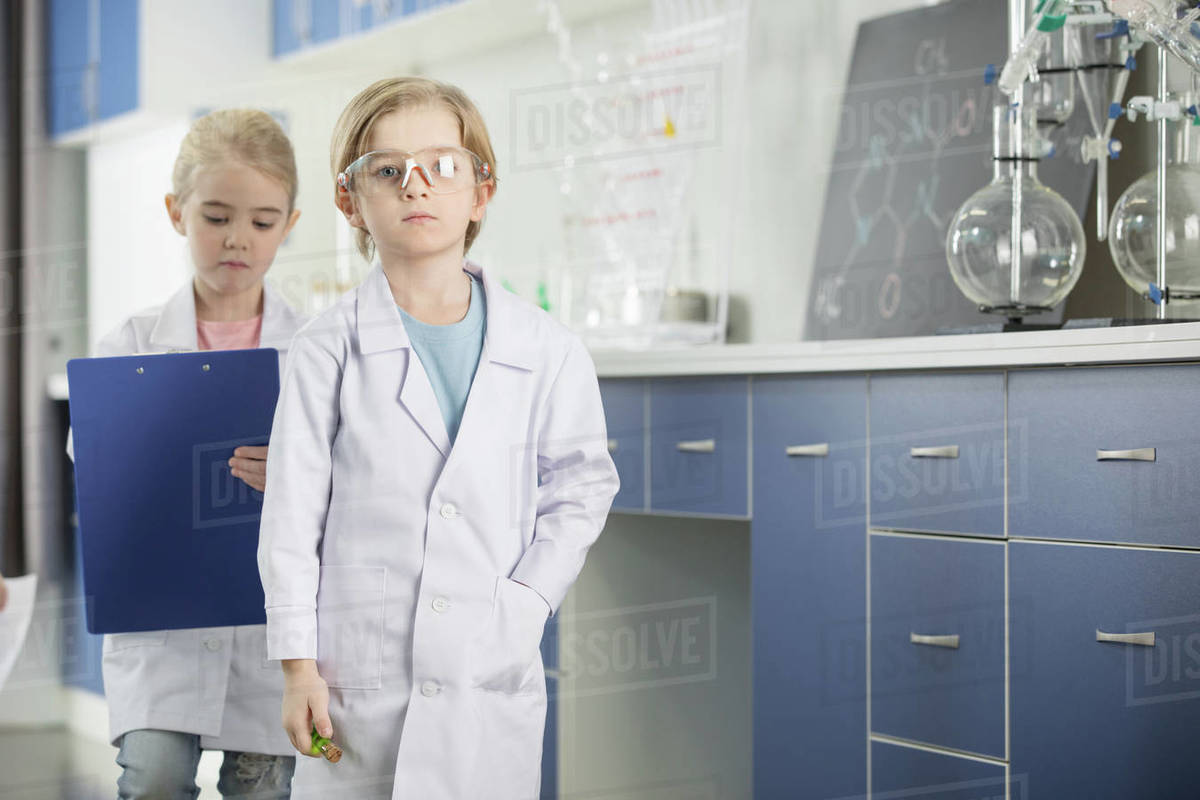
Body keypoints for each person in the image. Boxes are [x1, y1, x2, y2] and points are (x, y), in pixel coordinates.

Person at [257, 76, 620, 799]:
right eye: (387, 171)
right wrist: (297, 665)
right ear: (349, 199)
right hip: (358, 676)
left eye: (442, 165)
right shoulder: (325, 348)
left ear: (481, 192)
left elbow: (584, 486)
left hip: (488, 666)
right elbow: (292, 515)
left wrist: (528, 599)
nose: (415, 185)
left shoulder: (546, 348)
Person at [85, 108, 308, 799]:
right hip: (163, 632)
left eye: (263, 222)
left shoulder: (314, 350)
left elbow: (359, 475)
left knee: (261, 786)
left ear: (290, 226)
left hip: (273, 630)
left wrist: (299, 475)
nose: (238, 238)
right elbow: (92, 460)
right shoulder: (133, 343)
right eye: (216, 217)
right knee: (153, 778)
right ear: (176, 212)